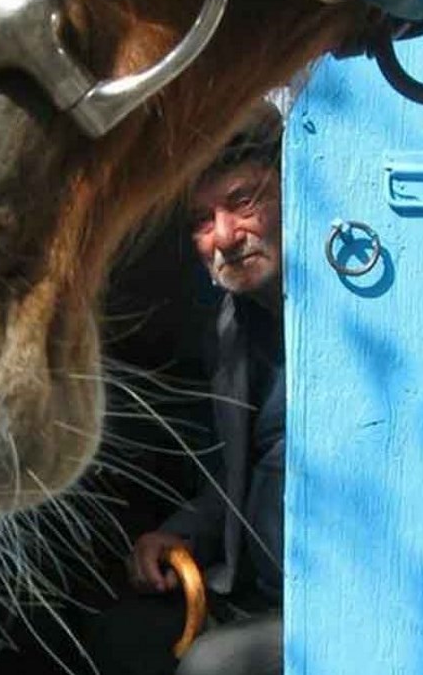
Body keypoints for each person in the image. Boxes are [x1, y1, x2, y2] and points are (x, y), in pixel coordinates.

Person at [86, 102, 285, 675]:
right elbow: (241, 471)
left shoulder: (338, 325)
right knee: (119, 637)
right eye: (202, 219)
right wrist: (177, 532)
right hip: (248, 591)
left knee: (211, 667)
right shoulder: (231, 325)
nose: (224, 237)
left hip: (332, 601)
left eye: (244, 202)